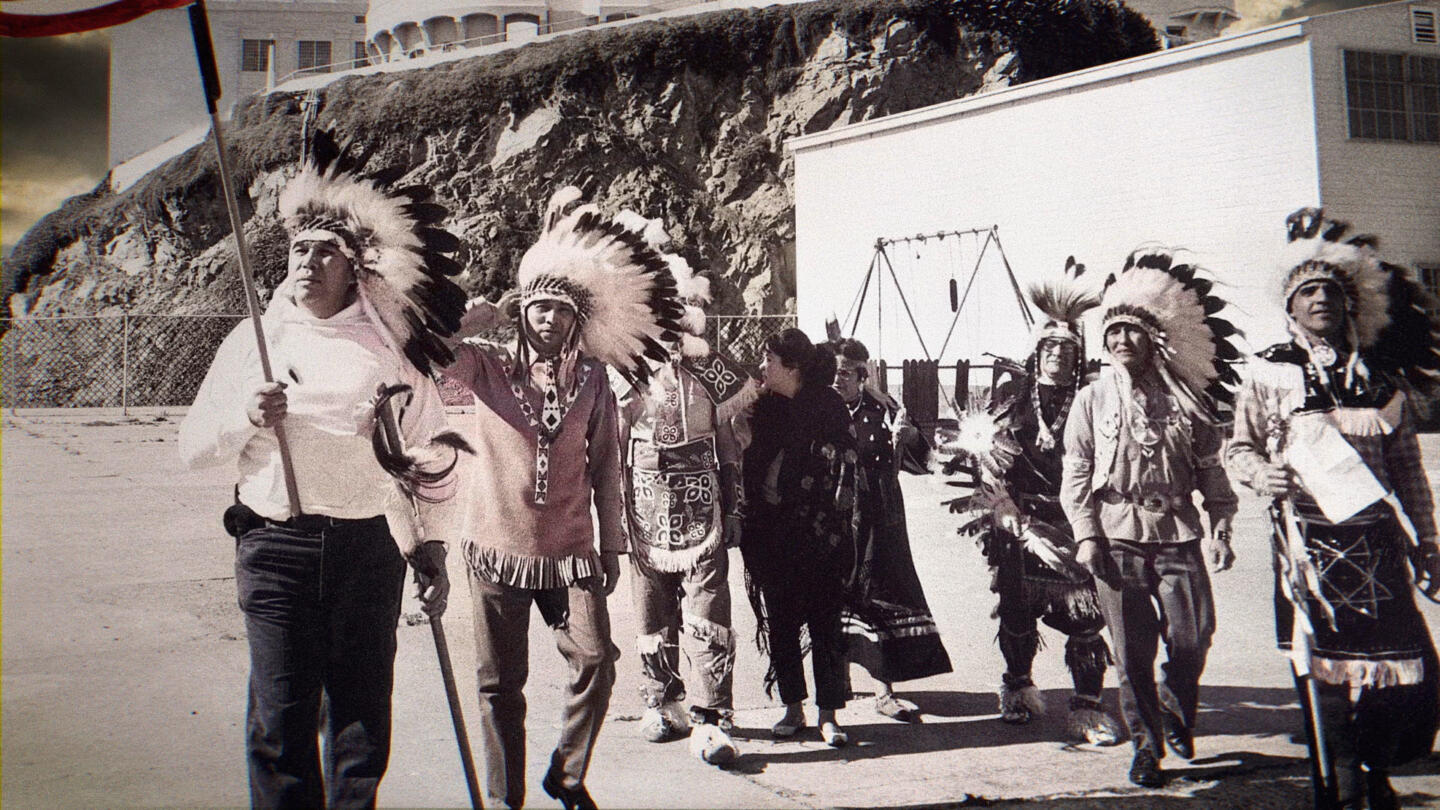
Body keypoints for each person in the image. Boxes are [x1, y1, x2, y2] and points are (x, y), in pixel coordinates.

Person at [179, 131, 465, 809]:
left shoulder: (391, 350)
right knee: (281, 718)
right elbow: (193, 448)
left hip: (367, 551)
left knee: (362, 720)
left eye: (324, 250)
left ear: (355, 266)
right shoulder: (256, 342)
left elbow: (430, 457)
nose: (306, 260)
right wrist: (247, 415)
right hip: (277, 547)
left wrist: (431, 548)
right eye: (298, 249)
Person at [442, 186, 683, 810]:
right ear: (523, 312)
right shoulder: (488, 366)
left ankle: (567, 775)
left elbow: (605, 467)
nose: (548, 320)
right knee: (500, 684)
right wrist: (482, 318)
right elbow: (434, 354)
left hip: (572, 550)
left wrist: (612, 547)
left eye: (560, 311)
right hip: (496, 545)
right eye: (538, 308)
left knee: (597, 660)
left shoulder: (595, 380)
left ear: (578, 321)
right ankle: (505, 800)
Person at [1227, 208, 1440, 810]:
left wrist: (1430, 544)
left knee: (1405, 673)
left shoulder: (1381, 379)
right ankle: (1342, 790)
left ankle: (1374, 766)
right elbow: (1238, 447)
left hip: (1377, 542)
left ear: (1351, 304)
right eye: (1307, 292)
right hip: (1306, 545)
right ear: (1290, 307)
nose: (1320, 299)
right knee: (1323, 677)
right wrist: (1260, 472)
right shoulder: (1270, 371)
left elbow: (1409, 472)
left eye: (1330, 290)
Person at [1060, 248, 1241, 788]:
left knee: (1193, 635)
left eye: (1132, 332)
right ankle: (1146, 747)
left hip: (1177, 534)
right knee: (1132, 651)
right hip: (1116, 537)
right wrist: (1086, 535)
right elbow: (1076, 470)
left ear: (1154, 338)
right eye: (1113, 332)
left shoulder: (1188, 400)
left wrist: (1222, 524)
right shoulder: (1091, 400)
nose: (1121, 340)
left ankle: (1176, 704)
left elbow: (1210, 467)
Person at [610, 212, 759, 765]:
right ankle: (661, 702)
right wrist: (613, 512)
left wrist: (735, 505)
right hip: (643, 502)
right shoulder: (622, 368)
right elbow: (611, 446)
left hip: (704, 503)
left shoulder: (710, 367)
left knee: (709, 606)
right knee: (651, 605)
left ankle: (712, 715)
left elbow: (731, 442)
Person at [952, 258, 1121, 744]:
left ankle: (1087, 708)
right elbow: (984, 454)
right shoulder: (1013, 398)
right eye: (1050, 348)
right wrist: (1001, 504)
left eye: (1067, 350)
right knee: (1017, 614)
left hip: (1075, 522)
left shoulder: (1094, 398)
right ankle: (1018, 690)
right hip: (1019, 521)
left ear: (1078, 356)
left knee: (1086, 619)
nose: (1058, 357)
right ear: (1037, 352)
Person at [741, 328, 858, 747]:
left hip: (820, 532)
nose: (762, 367)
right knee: (781, 621)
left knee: (826, 623)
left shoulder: (828, 405)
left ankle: (829, 715)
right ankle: (793, 707)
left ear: (791, 367)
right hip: (772, 532)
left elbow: (847, 461)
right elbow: (749, 460)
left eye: (769, 361)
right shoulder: (764, 407)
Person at [830, 337, 952, 722]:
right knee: (835, 597)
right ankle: (838, 682)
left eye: (845, 373)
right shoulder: (819, 409)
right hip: (833, 517)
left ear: (862, 376)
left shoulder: (884, 410)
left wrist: (910, 436)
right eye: (833, 372)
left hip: (881, 517)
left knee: (881, 594)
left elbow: (922, 460)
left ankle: (884, 691)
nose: (837, 380)